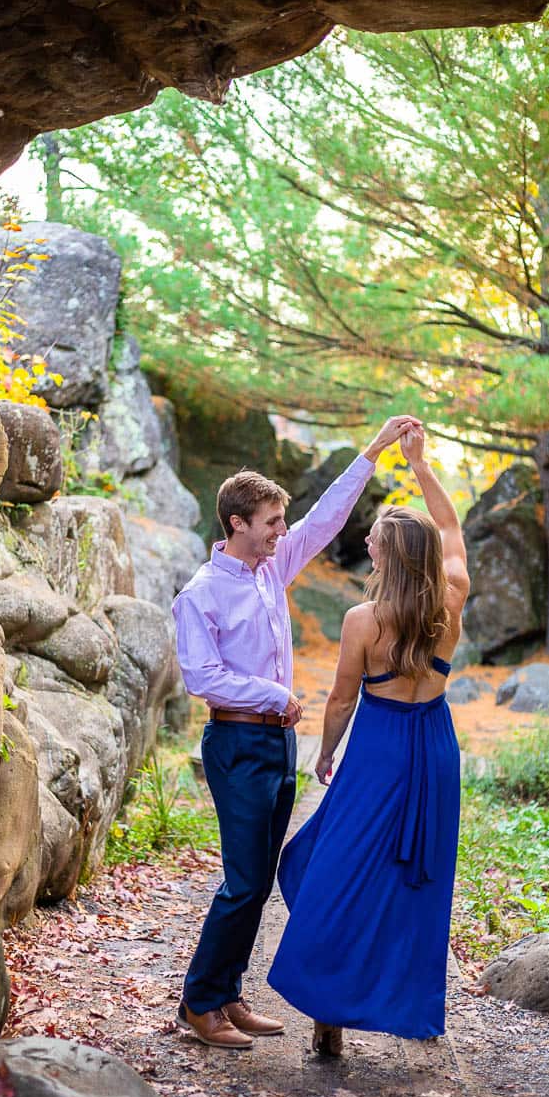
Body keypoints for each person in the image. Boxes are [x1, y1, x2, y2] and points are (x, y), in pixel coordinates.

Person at [172, 415, 421, 1050]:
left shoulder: (269, 569)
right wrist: (274, 694)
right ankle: (199, 1003)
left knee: (258, 880)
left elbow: (324, 521)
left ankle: (228, 994)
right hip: (236, 743)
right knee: (243, 881)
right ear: (237, 524)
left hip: (277, 743)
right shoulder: (201, 594)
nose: (283, 531)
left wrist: (372, 452)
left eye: (282, 522)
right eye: (272, 522)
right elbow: (202, 676)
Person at [267, 425, 470, 1055]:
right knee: (417, 880)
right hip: (434, 749)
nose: (366, 545)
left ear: (390, 558)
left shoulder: (363, 620)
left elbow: (341, 700)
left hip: (379, 751)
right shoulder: (451, 602)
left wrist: (326, 752)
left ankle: (328, 1008)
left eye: (375, 541)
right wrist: (421, 466)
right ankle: (408, 1006)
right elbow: (451, 528)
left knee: (338, 868)